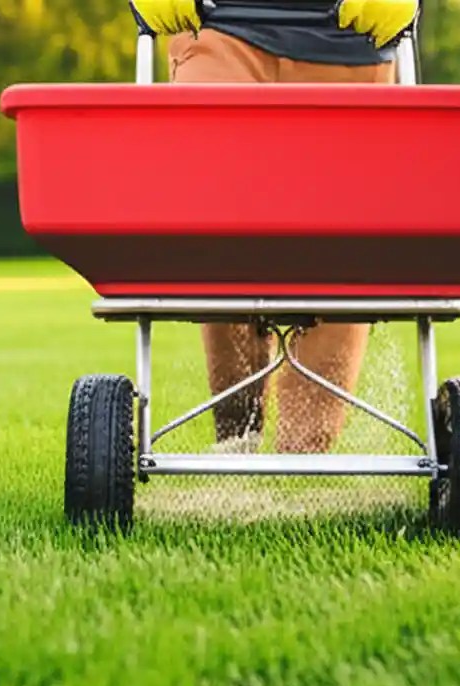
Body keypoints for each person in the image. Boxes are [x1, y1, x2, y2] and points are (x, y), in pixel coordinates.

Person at [127, 0, 419, 455]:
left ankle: (304, 453)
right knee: (217, 225)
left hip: (352, 37)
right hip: (220, 28)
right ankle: (236, 436)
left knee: (346, 239)